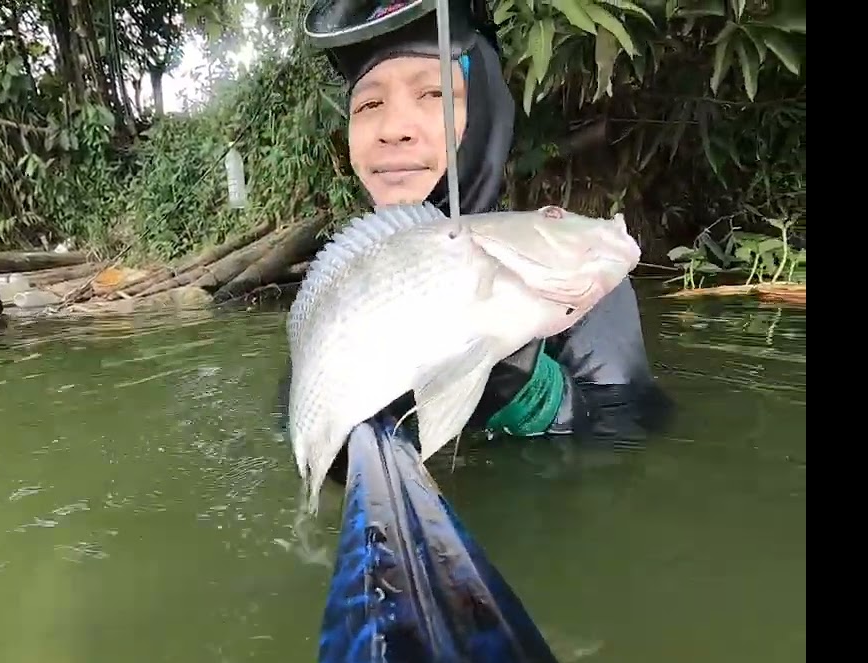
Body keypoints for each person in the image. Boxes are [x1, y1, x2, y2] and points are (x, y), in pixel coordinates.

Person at [280, 0, 673, 480]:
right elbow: (299, 416)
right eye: (369, 104)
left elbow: (628, 446)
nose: (393, 129)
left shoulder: (591, 287)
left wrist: (525, 385)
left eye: (433, 94)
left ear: (487, 112)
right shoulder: (343, 290)